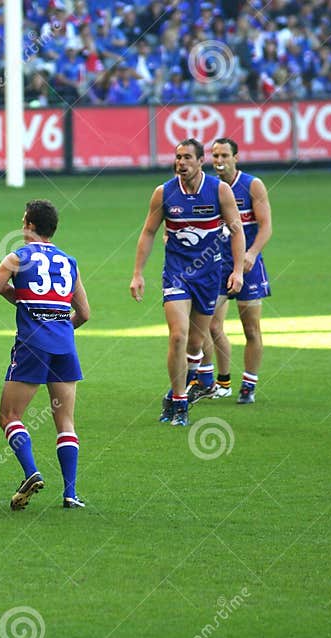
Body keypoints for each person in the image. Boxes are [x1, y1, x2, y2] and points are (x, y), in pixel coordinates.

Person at [0, 200, 91, 510]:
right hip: (65, 346)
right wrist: (58, 326)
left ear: (27, 225)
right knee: (65, 421)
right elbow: (84, 313)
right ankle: (70, 493)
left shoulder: (17, 257)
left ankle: (31, 471)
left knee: (9, 416)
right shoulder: (69, 261)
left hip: (31, 345)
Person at [129, 139, 245, 427]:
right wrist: (138, 273)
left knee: (196, 343)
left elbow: (237, 231)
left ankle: (180, 387)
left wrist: (238, 270)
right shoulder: (164, 193)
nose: (180, 163)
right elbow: (148, 233)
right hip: (177, 273)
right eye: (177, 157)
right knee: (178, 335)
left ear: (200, 161)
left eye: (187, 158)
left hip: (209, 275)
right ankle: (180, 401)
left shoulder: (219, 191)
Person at [187, 138, 273, 405]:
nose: (219, 160)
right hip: (216, 266)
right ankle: (210, 381)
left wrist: (251, 253)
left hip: (248, 266)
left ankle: (248, 384)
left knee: (251, 329)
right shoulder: (212, 188)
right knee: (207, 325)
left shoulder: (251, 185)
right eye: (215, 155)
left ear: (236, 157)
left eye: (224, 155)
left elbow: (266, 226)